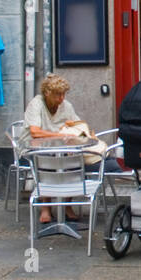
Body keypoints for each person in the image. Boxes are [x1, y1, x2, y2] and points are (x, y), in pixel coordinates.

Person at [23, 73, 88, 226]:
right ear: (47, 93)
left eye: (63, 94)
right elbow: (35, 132)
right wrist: (59, 134)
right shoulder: (36, 104)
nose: (61, 98)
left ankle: (67, 205)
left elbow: (76, 125)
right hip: (35, 149)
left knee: (73, 161)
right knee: (50, 162)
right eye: (57, 95)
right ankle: (46, 207)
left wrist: (75, 133)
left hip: (60, 148)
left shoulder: (66, 106)